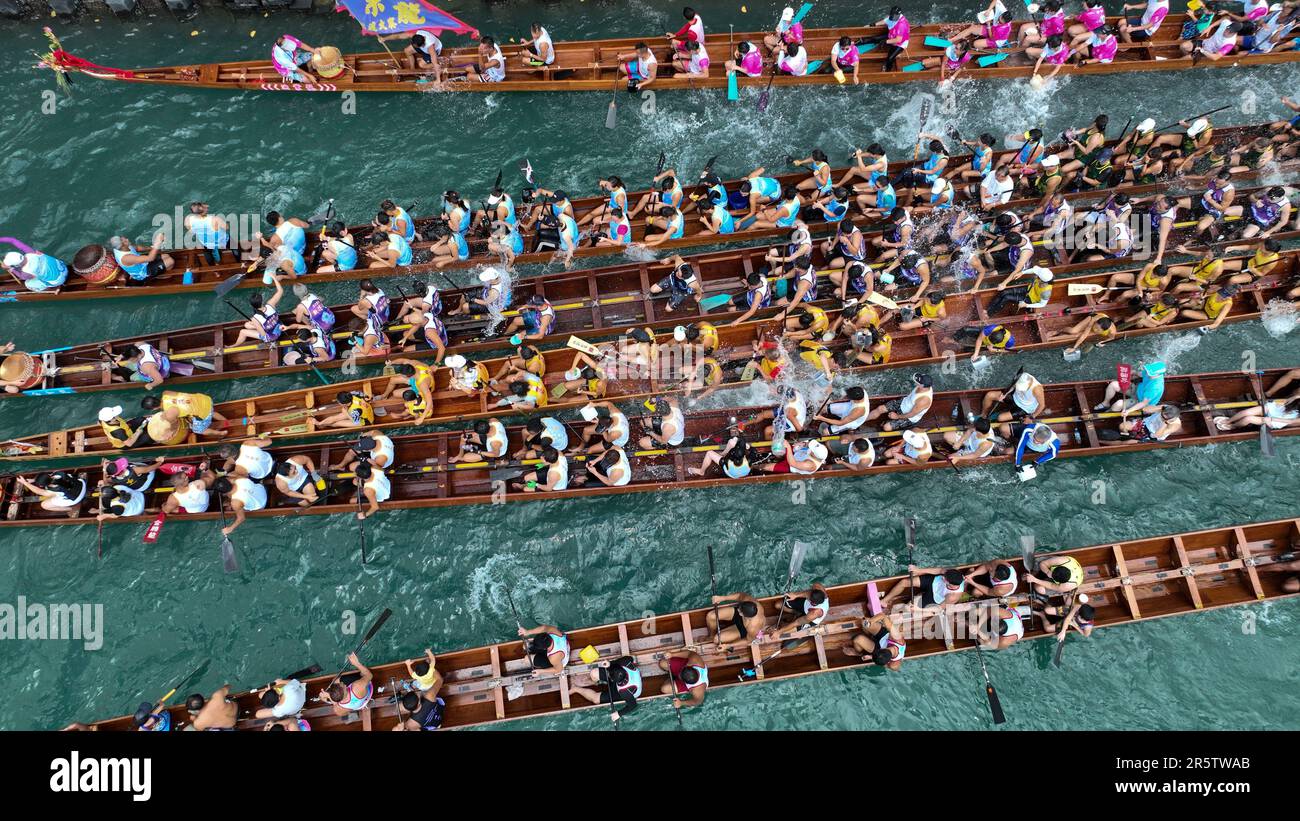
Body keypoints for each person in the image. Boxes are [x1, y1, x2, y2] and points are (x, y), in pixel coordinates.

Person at [569, 656, 642, 721]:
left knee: (595, 699)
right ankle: (597, 683)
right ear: (620, 667)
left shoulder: (625, 693)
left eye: (609, 676)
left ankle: (575, 689)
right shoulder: (625, 662)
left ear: (613, 680)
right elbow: (630, 658)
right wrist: (610, 663)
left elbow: (633, 705)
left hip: (623, 691)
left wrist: (619, 714)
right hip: (620, 680)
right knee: (593, 673)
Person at [1093, 361, 1167, 418]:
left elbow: (1143, 403)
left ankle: (1109, 413)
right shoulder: (1149, 373)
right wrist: (1131, 374)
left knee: (1118, 404)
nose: (1147, 373)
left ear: (1157, 375)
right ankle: (1106, 403)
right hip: (1138, 389)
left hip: (1140, 401)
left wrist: (1128, 411)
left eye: (1149, 373)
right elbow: (1138, 374)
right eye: (1147, 371)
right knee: (1113, 384)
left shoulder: (1155, 387)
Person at [865, 371, 933, 431]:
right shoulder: (924, 385)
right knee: (880, 408)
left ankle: (889, 422)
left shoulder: (924, 400)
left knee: (886, 427)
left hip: (909, 417)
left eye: (917, 382)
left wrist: (897, 416)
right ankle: (863, 420)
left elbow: (911, 414)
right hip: (903, 403)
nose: (915, 383)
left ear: (922, 386)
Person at [879, 566, 966, 609]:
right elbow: (939, 570)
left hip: (935, 598)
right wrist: (918, 570)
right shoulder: (952, 572)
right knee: (904, 582)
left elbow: (939, 609)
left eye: (945, 578)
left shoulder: (953, 596)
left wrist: (918, 610)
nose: (943, 577)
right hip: (933, 581)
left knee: (908, 608)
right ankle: (884, 601)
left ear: (952, 584)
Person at [321, 653, 374, 718]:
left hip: (360, 705)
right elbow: (369, 675)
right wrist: (356, 663)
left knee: (334, 681)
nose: (342, 684)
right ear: (345, 690)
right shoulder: (357, 686)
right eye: (343, 686)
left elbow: (339, 709)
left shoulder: (338, 708)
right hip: (366, 691)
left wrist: (327, 698)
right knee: (363, 674)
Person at [15, 471, 87, 517]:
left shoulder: (52, 491)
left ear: (42, 486)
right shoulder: (58, 473)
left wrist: (25, 483)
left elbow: (38, 491)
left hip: (76, 498)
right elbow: (47, 477)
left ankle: (70, 508)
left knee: (44, 505)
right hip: (82, 485)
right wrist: (34, 480)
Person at [109, 233, 174, 283]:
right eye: (125, 241)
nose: (127, 239)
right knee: (171, 261)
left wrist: (151, 248)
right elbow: (150, 258)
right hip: (144, 272)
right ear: (122, 246)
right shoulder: (126, 258)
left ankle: (159, 271)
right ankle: (158, 276)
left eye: (125, 238)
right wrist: (158, 243)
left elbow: (137, 248)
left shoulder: (124, 247)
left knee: (166, 256)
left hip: (143, 263)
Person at [184, 202, 230, 266]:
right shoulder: (215, 219)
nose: (206, 207)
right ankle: (240, 262)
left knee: (208, 253)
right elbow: (226, 227)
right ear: (203, 210)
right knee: (234, 246)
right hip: (219, 241)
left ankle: (215, 271)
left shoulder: (188, 219)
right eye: (204, 206)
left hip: (205, 242)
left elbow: (191, 230)